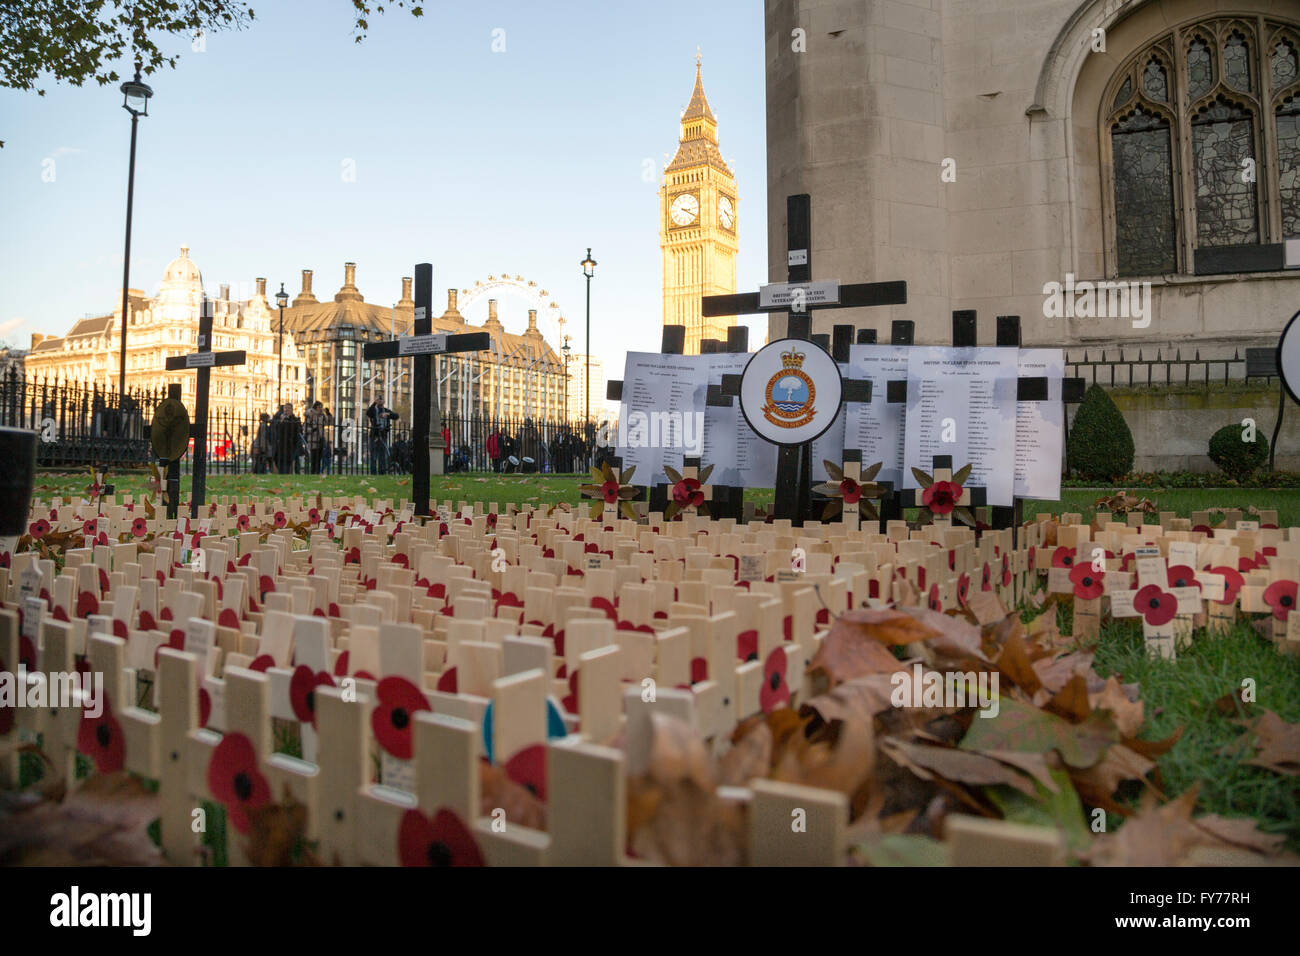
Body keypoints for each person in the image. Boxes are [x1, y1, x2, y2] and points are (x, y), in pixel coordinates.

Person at [366, 397, 398, 474]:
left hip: (383, 435)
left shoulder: (386, 411)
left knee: (382, 456)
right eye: (378, 399)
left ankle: (382, 472)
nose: (380, 401)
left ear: (384, 401)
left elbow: (396, 416)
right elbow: (368, 413)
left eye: (381, 399)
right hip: (374, 436)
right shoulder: (373, 410)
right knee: (373, 456)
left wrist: (387, 414)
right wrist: (374, 403)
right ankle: (373, 473)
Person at [304, 401, 327, 474]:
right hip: (312, 439)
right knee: (314, 458)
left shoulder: (321, 416)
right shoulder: (310, 415)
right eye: (319, 407)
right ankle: (313, 472)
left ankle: (317, 472)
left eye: (321, 407)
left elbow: (327, 422)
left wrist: (325, 415)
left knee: (319, 458)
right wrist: (313, 429)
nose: (320, 409)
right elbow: (305, 428)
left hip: (320, 439)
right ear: (315, 407)